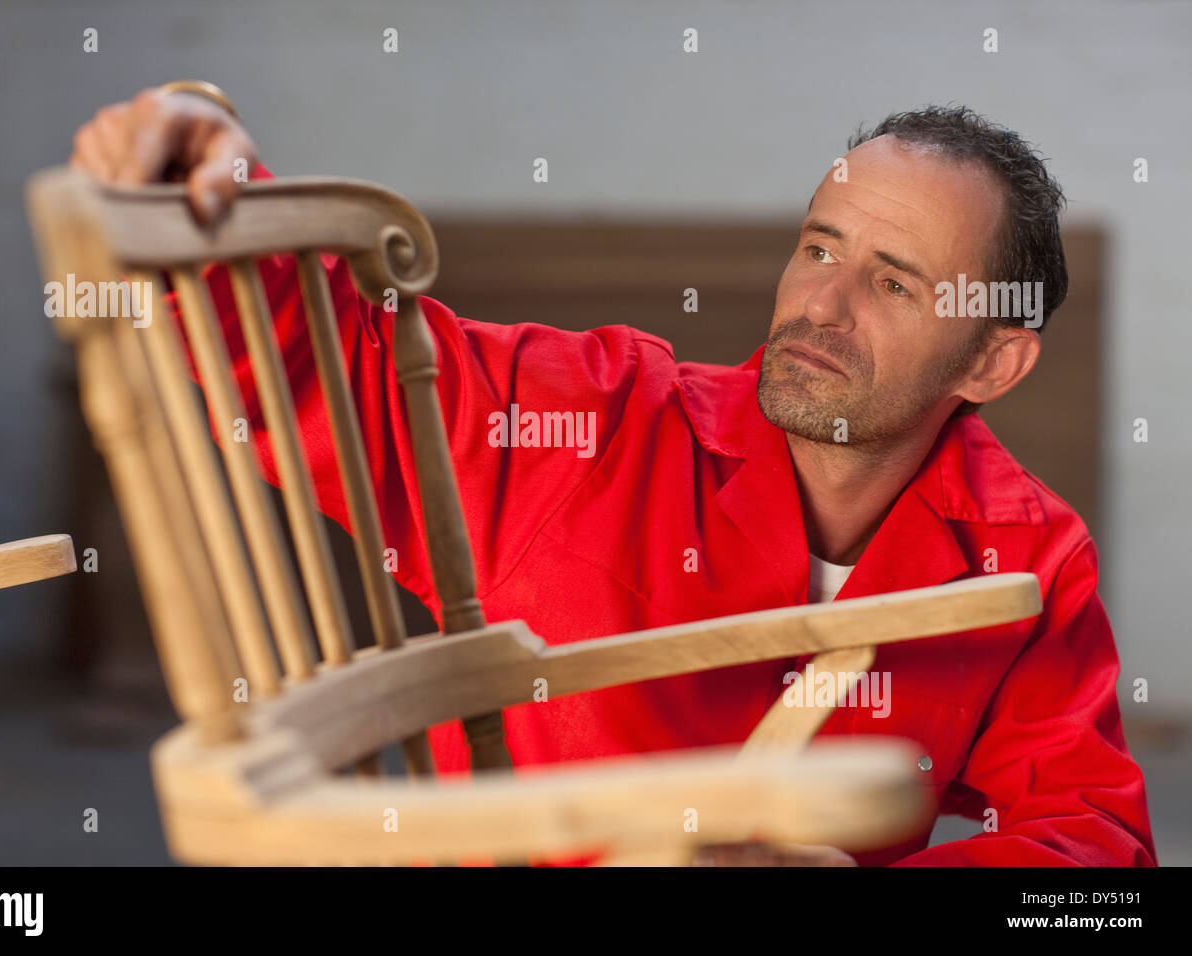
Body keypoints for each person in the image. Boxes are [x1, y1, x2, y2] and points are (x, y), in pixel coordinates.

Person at [69, 84, 1158, 866]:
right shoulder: (589, 420)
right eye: (820, 249)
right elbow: (321, 360)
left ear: (991, 361)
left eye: (893, 283)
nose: (820, 306)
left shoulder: (1022, 552)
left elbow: (1093, 859)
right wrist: (204, 167)